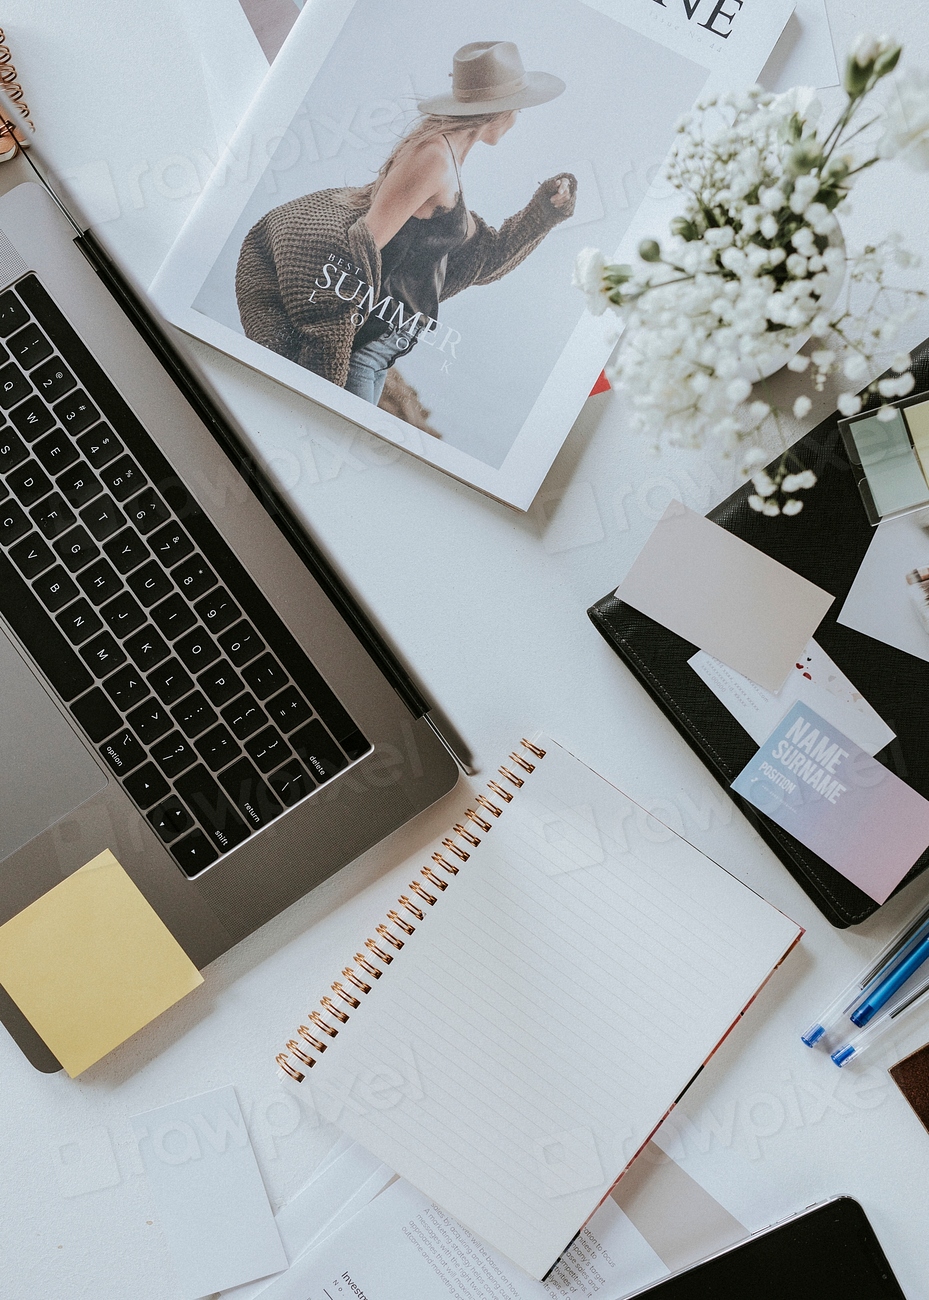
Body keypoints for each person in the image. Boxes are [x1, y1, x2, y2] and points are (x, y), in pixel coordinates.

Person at [236, 41, 576, 408]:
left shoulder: (448, 157)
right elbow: (362, 245)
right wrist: (327, 351)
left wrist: (545, 210)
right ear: (499, 110)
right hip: (362, 352)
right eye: (517, 109)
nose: (516, 119)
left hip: (380, 352)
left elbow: (483, 259)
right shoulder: (432, 158)